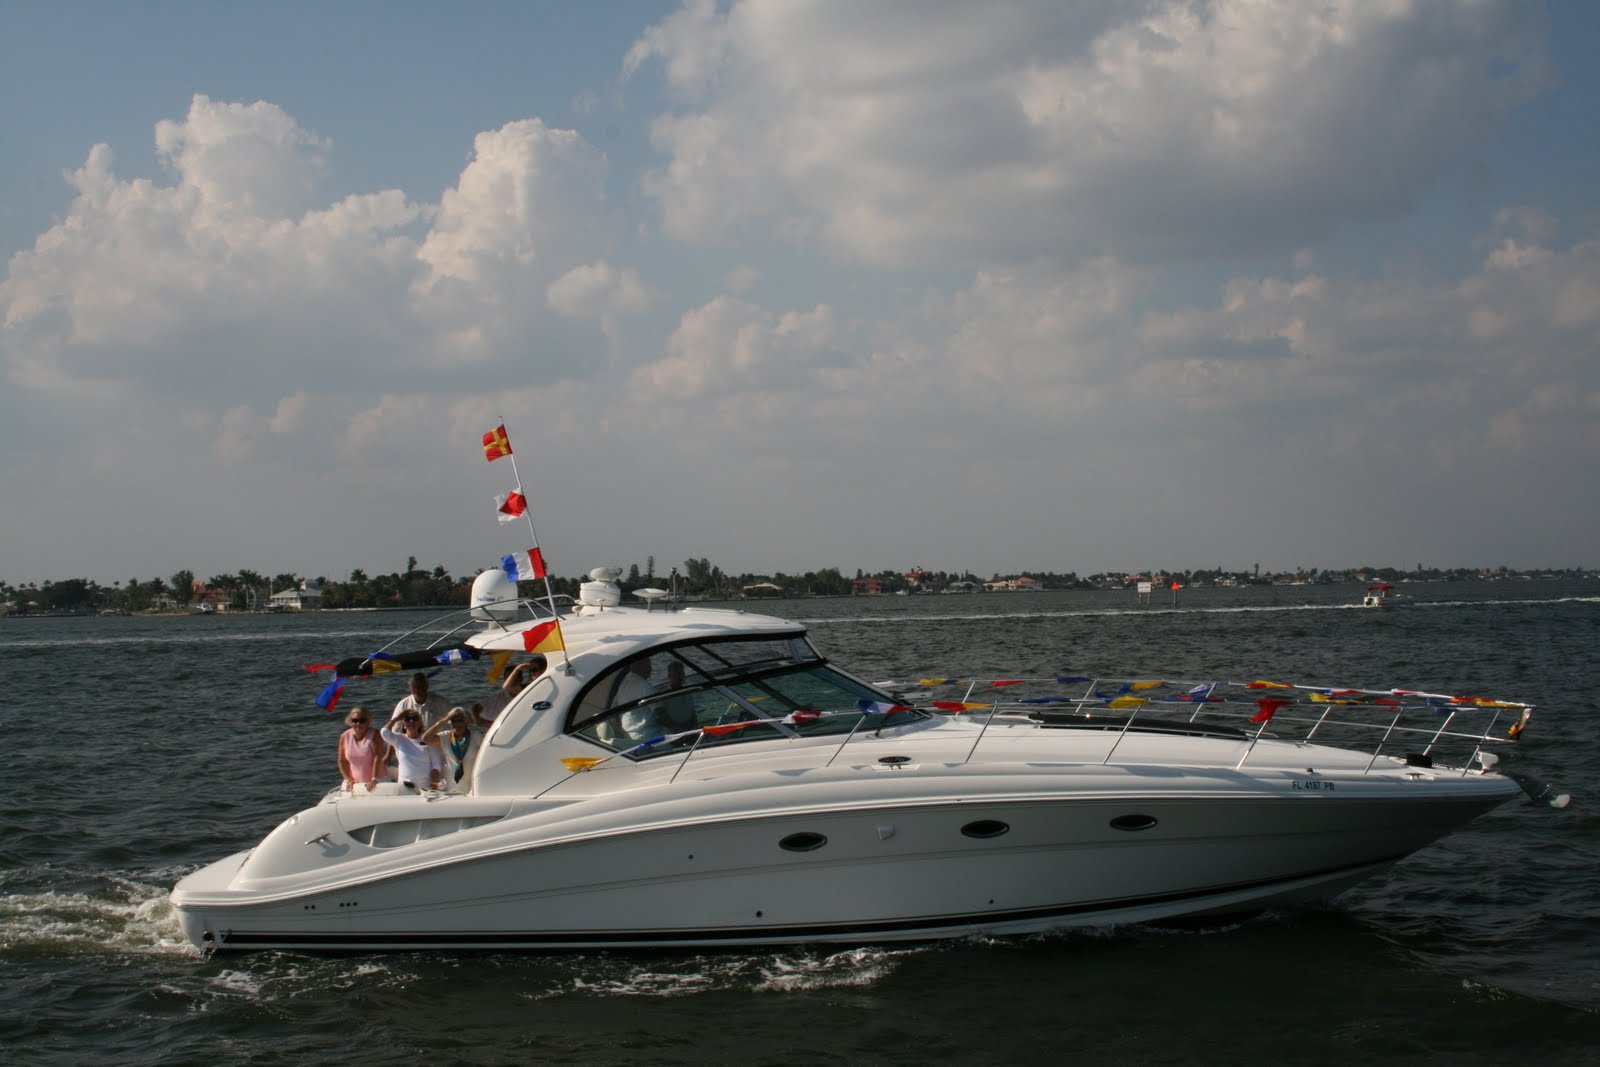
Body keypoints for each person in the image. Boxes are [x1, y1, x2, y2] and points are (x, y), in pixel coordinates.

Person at [381, 708, 446, 792]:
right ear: (404, 725)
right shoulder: (399, 739)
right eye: (407, 719)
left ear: (420, 723)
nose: (411, 721)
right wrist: (397, 718)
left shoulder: (428, 740)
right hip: (405, 787)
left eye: (415, 718)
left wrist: (434, 783)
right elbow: (384, 732)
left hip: (426, 787)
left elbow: (436, 765)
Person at [424, 706, 485, 788]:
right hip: (451, 787)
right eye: (453, 721)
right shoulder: (446, 736)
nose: (457, 724)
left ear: (466, 722)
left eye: (460, 720)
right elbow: (426, 738)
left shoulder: (476, 736)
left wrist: (477, 720)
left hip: (472, 786)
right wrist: (443, 720)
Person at [474, 655, 546, 724]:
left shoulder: (549, 682)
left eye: (535, 669)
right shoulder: (527, 687)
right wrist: (517, 669)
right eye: (531, 670)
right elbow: (507, 688)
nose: (533, 673)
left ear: (544, 669)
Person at [336, 706, 388, 794]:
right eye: (355, 720)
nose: (358, 723)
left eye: (362, 720)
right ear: (350, 722)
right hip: (355, 783)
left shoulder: (375, 734)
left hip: (377, 781)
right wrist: (348, 779)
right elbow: (342, 761)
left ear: (368, 722)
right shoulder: (345, 736)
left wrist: (374, 779)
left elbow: (377, 757)